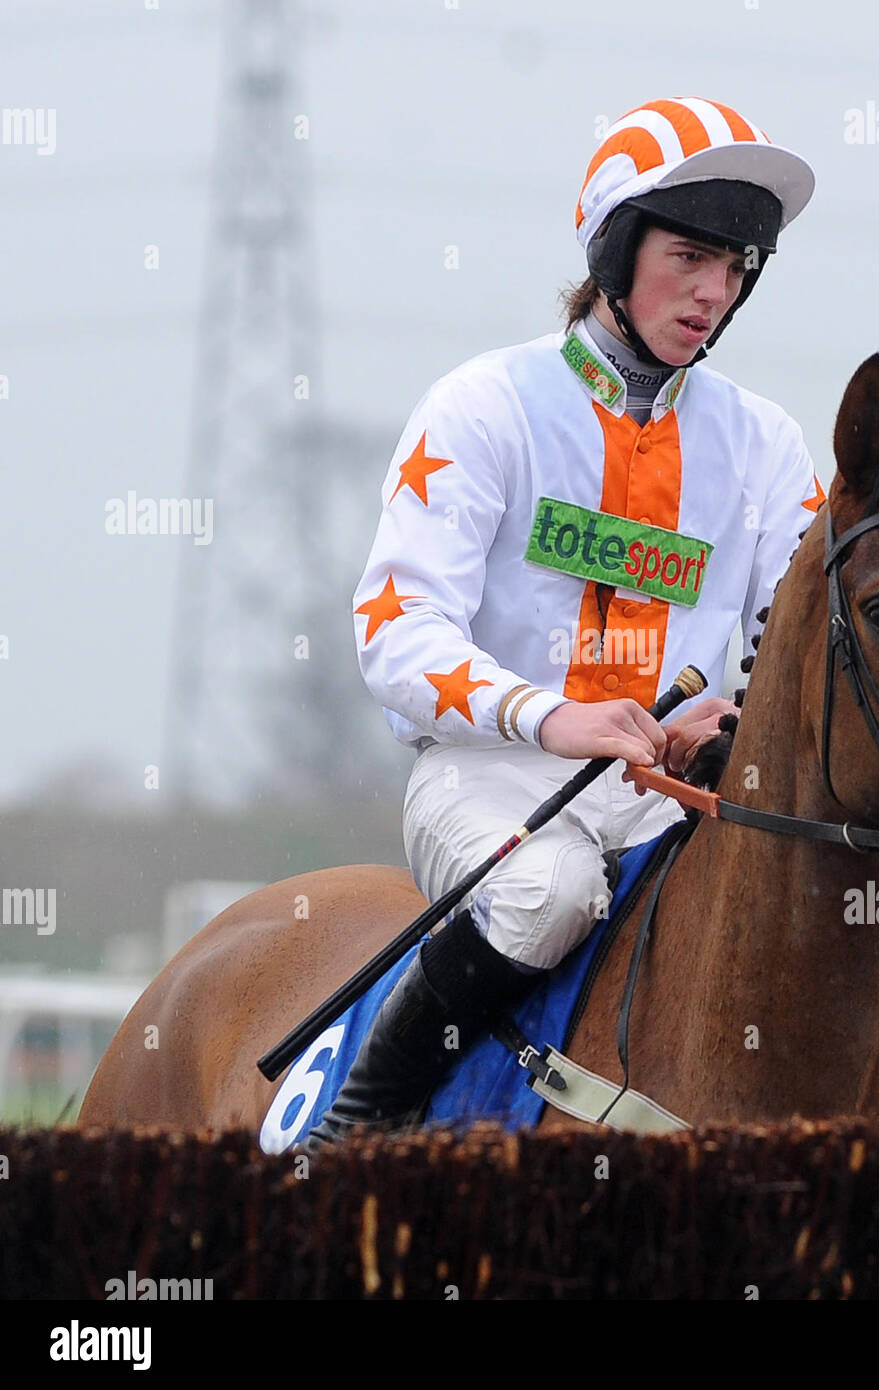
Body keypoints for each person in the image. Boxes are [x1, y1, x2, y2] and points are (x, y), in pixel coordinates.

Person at [303, 96, 826, 1147]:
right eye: (689, 257)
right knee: (549, 893)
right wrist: (555, 718)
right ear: (617, 250)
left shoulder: (766, 447)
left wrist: (731, 724)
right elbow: (394, 633)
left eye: (734, 268)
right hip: (487, 777)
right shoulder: (481, 408)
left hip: (669, 799)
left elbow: (792, 660)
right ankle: (353, 1130)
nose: (713, 292)